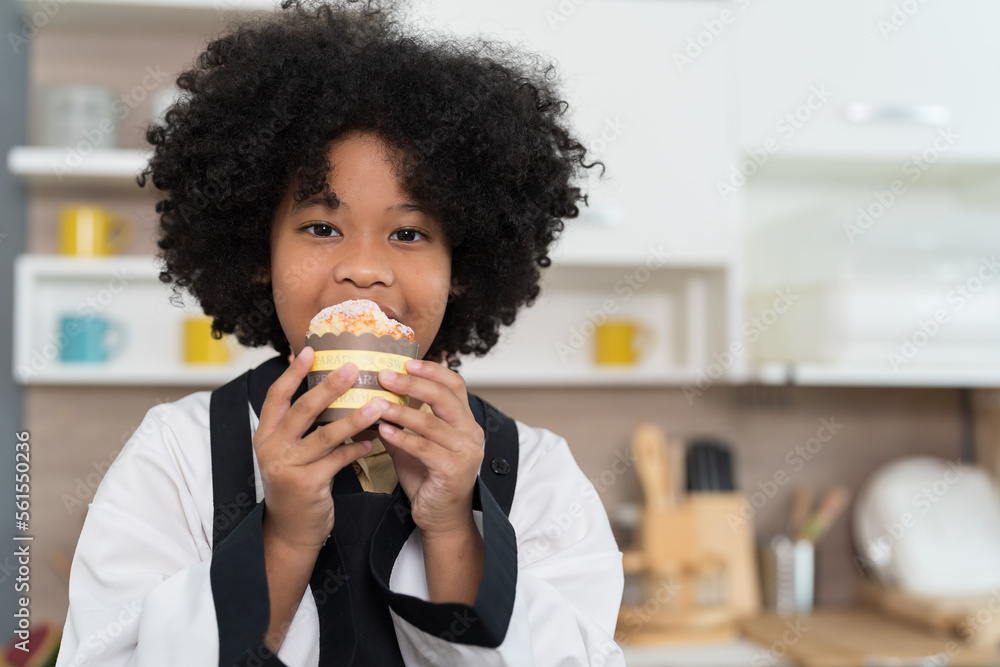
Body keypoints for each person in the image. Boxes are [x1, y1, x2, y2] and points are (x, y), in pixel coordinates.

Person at [54, 0, 625, 665]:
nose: (362, 268)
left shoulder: (536, 473)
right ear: (259, 254)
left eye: (408, 233)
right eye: (321, 227)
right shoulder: (178, 456)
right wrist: (285, 537)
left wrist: (450, 529)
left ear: (462, 268)